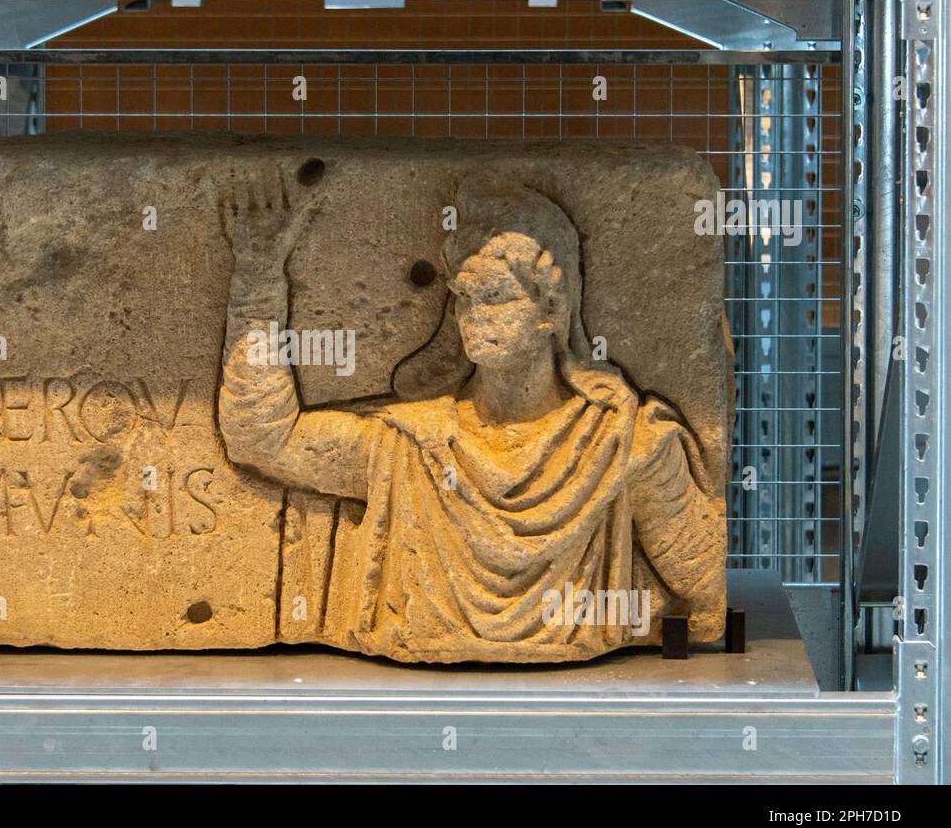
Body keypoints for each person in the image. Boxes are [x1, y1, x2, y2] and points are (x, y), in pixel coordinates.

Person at [219, 172, 725, 663]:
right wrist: (257, 281)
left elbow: (700, 586)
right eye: (464, 298)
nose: (474, 317)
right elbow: (262, 439)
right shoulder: (410, 444)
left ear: (551, 308)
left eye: (497, 297)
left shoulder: (624, 443)